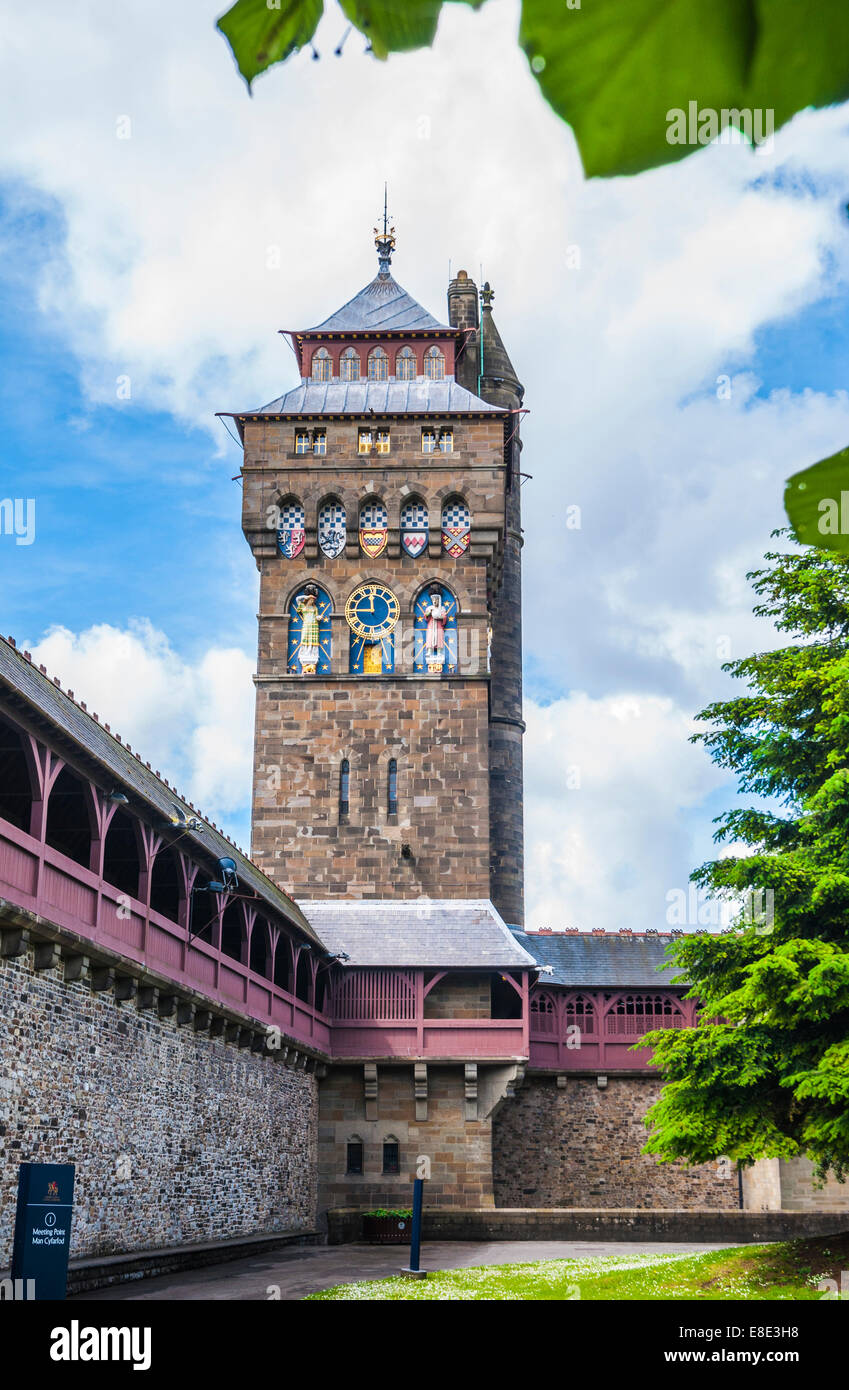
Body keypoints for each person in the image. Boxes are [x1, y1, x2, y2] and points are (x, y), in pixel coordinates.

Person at [295, 583, 321, 674]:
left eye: (313, 600)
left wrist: (318, 618)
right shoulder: (302, 606)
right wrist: (306, 597)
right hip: (306, 624)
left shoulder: (315, 608)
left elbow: (316, 616)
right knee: (305, 638)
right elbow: (297, 599)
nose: (312, 601)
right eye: (311, 599)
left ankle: (312, 653)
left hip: (314, 625)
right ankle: (305, 653)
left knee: (312, 640)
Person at [423, 588, 447, 672]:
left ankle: (439, 652)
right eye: (433, 600)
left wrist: (439, 616)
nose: (434, 602)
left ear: (438, 600)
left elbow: (444, 617)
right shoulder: (429, 607)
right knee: (430, 638)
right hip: (431, 626)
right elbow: (425, 616)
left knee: (439, 639)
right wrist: (429, 612)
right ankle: (429, 651)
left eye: (436, 600)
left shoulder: (442, 608)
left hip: (439, 626)